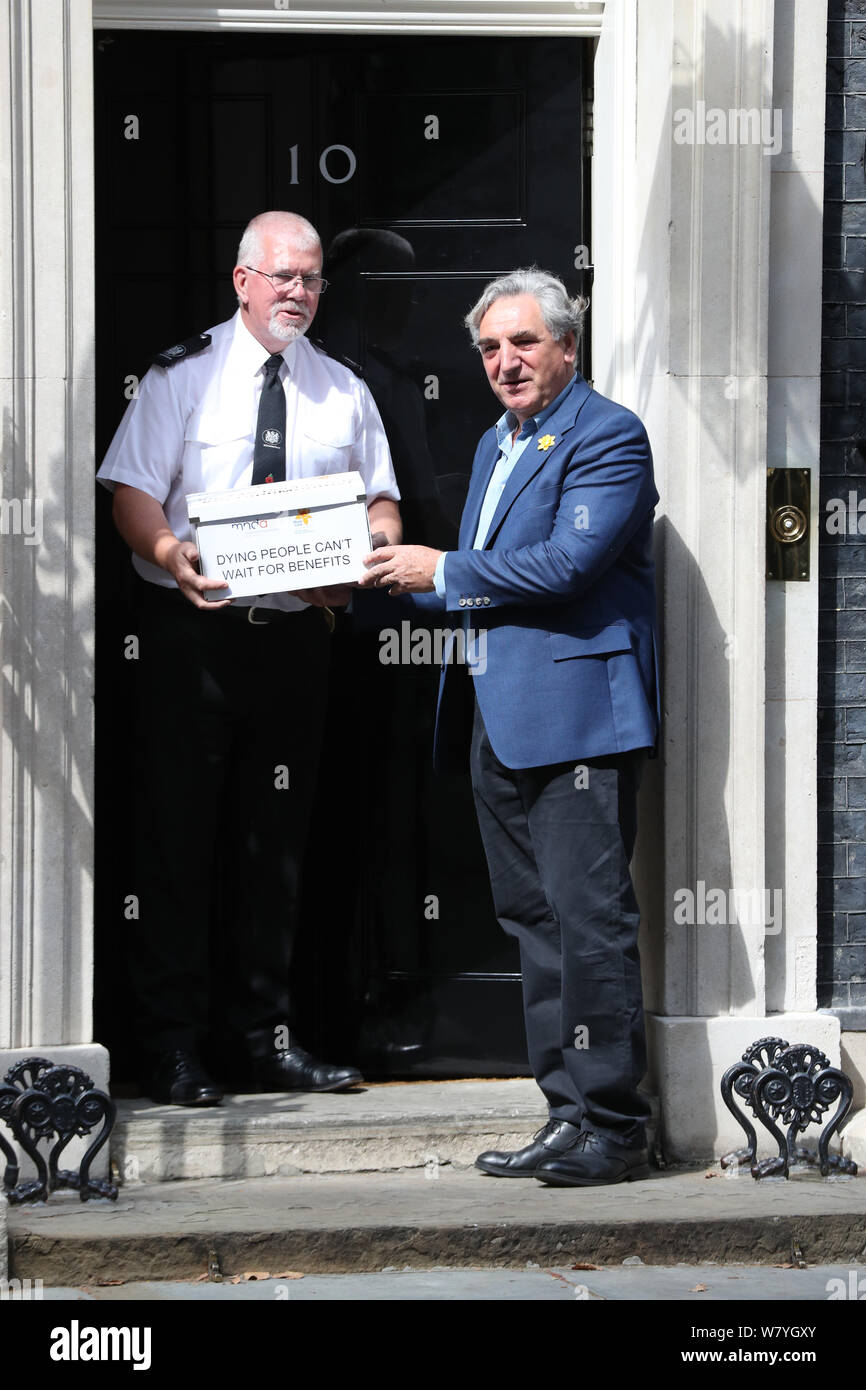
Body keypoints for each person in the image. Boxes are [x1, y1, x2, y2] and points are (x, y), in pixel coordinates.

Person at [359, 268, 659, 1186]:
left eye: (524, 342)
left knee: (590, 924)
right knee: (533, 922)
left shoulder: (608, 434)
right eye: (490, 347)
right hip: (498, 713)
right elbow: (490, 570)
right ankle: (566, 1112)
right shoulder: (496, 443)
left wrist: (440, 570)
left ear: (568, 346)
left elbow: (567, 563)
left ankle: (617, 1125)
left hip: (578, 724)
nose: (505, 362)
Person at [98, 210, 401, 1106]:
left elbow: (381, 502)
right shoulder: (181, 376)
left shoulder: (343, 389)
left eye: (311, 280)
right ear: (243, 281)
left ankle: (265, 1038)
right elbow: (131, 491)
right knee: (177, 848)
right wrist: (166, 554)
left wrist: (366, 556)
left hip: (296, 647)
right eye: (283, 278)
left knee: (278, 848)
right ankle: (172, 1048)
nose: (299, 294)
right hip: (193, 641)